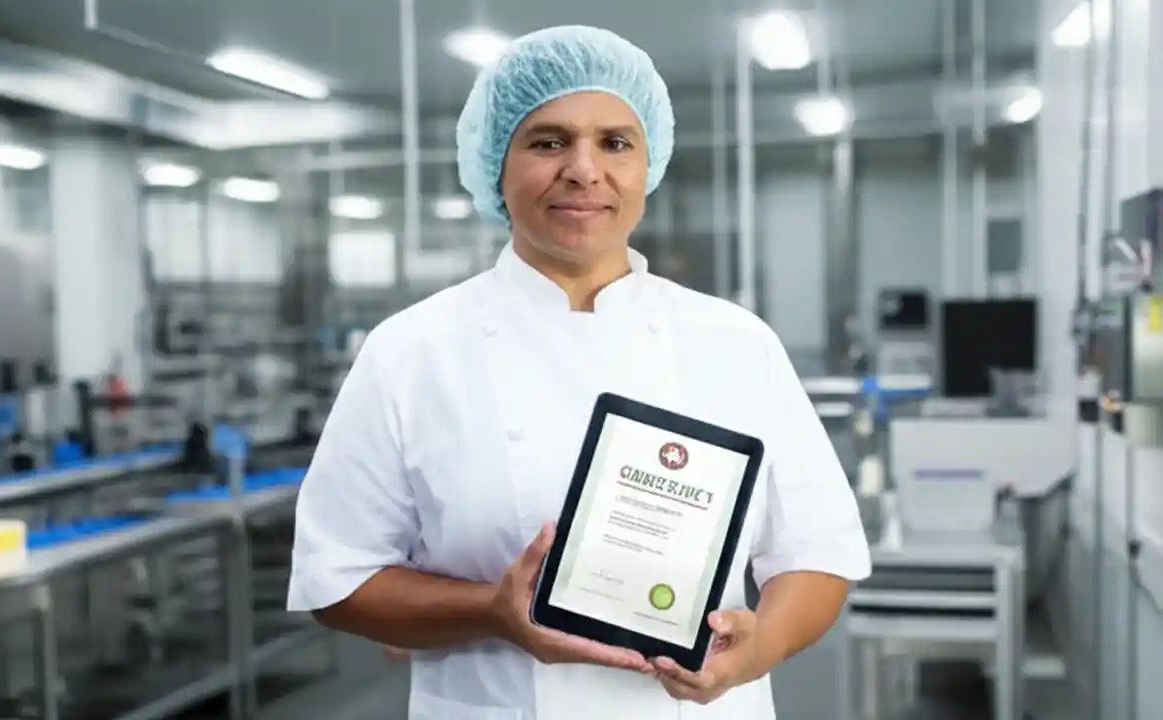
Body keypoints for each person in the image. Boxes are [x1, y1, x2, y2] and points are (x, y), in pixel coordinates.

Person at [288, 25, 872, 719]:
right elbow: (338, 579)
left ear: (648, 167)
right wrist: (492, 611)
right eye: (548, 141)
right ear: (495, 165)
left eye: (616, 143)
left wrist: (761, 645)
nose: (585, 170)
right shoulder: (410, 352)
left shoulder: (738, 344)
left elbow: (817, 553)